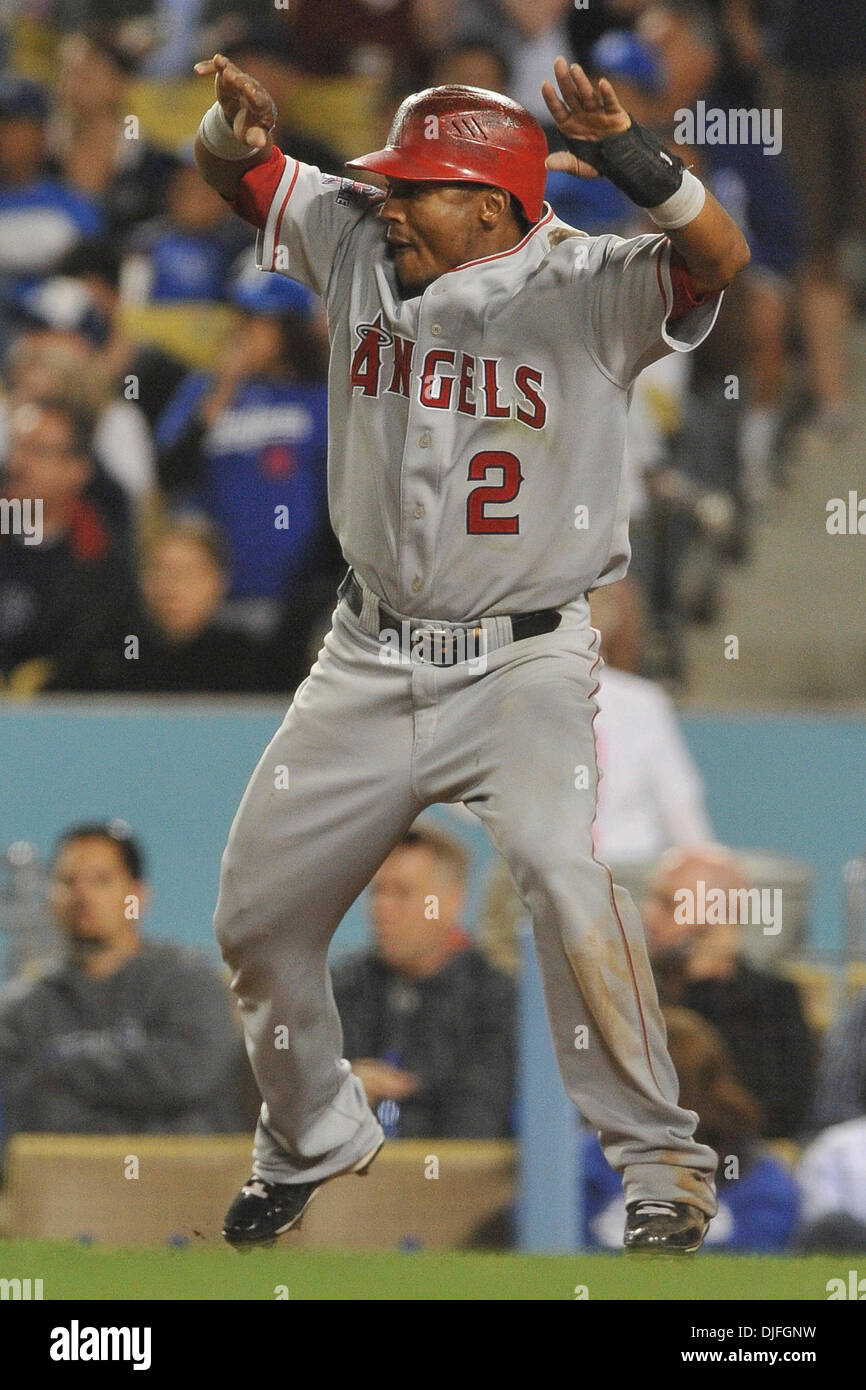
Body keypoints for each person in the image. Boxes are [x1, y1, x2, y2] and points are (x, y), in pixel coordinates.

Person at [194, 48, 749, 1253]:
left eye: (418, 186)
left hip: (524, 661)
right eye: (388, 180)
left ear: (491, 205)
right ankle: (310, 1133)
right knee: (255, 914)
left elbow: (718, 259)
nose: (386, 199)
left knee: (560, 873)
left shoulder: (592, 283)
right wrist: (232, 134)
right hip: (366, 652)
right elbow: (237, 175)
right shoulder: (356, 237)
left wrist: (635, 163)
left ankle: (659, 1166)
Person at [0, 821, 243, 1167]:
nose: (82, 895)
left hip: (182, 1190)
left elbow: (186, 1078)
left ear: (137, 897)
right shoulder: (20, 1010)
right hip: (68, 1191)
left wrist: (60, 1069)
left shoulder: (191, 985)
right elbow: (23, 1111)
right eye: (67, 881)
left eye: (101, 880)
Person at [332, 824, 515, 1140]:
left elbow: (477, 1126)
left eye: (402, 893)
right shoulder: (340, 990)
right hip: (347, 1185)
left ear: (452, 901)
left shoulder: (495, 1001)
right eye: (378, 891)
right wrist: (336, 1099)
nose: (382, 908)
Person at [643, 844, 816, 1140]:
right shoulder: (637, 989)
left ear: (717, 919)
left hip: (736, 1165)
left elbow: (780, 1114)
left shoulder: (775, 999)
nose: (648, 916)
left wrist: (704, 985)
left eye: (668, 904)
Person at [0, 396, 135, 695]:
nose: (19, 464)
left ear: (78, 470)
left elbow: (108, 664)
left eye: (38, 452)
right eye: (18, 448)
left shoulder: (104, 560)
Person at [56, 516, 269, 694]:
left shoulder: (244, 660)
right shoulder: (106, 654)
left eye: (186, 573)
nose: (169, 587)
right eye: (158, 572)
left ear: (218, 581)